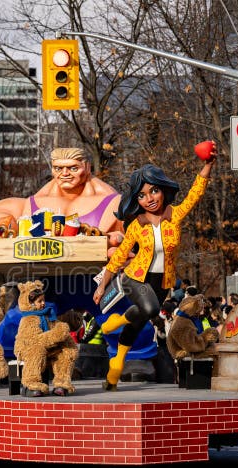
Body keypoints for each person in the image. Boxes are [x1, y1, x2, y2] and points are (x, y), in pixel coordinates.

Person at [92, 142, 217, 391]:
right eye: (141, 195)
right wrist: (103, 284)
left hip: (161, 282)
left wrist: (207, 166)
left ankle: (116, 364)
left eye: (153, 192)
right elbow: (119, 257)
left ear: (163, 191)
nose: (148, 199)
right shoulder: (136, 225)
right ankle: (114, 322)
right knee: (149, 310)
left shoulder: (175, 215)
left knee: (139, 323)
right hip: (135, 278)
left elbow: (195, 194)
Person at [0, 147, 125, 285]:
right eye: (58, 168)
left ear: (87, 167)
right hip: (43, 288)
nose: (65, 174)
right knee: (12, 322)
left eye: (73, 168)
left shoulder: (114, 204)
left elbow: (139, 238)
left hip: (98, 286)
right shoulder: (30, 205)